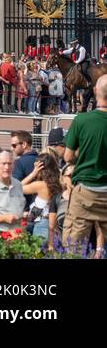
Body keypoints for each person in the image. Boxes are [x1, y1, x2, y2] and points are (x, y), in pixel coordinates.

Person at [61, 75, 107, 255]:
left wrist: (84, 151)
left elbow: (68, 156)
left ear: (95, 92)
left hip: (86, 191)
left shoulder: (81, 120)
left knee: (73, 245)